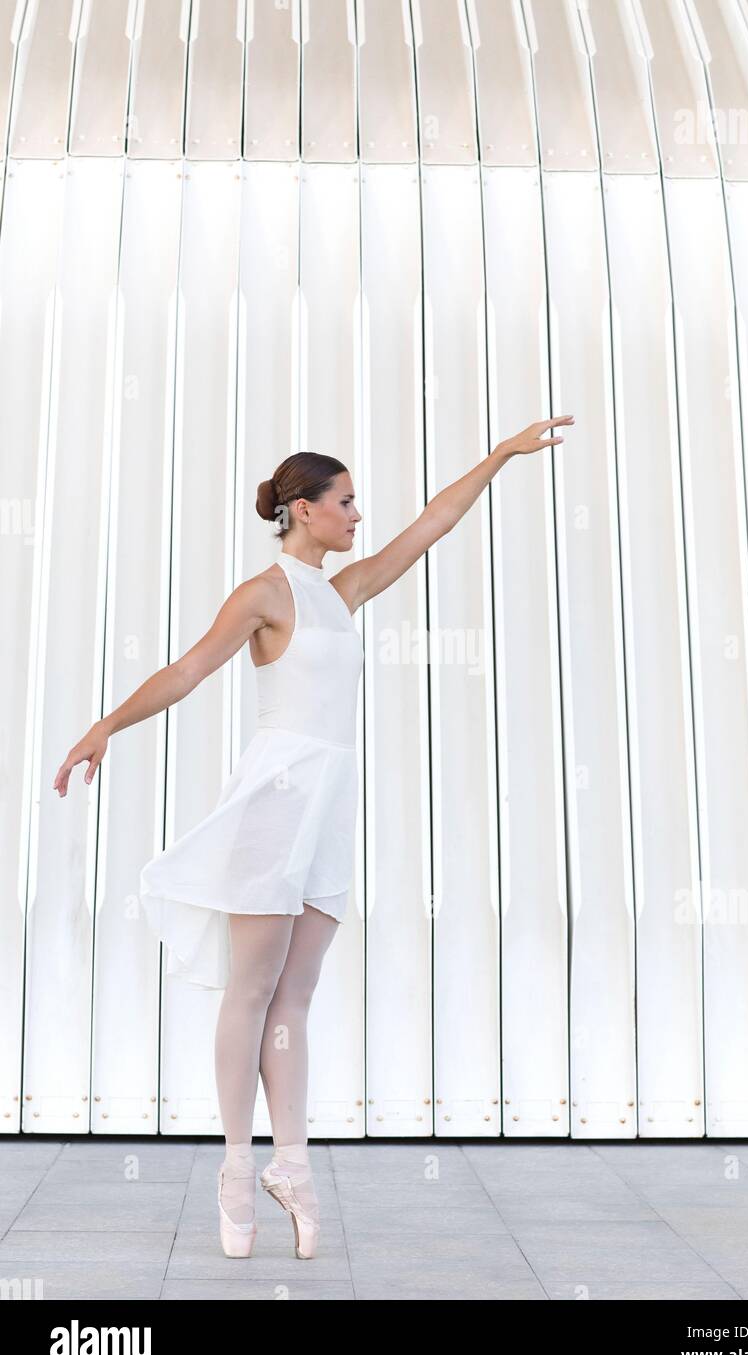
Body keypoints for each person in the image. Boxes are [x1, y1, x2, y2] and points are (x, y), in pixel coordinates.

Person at [53, 415, 574, 1259]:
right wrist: (107, 723)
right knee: (251, 991)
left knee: (295, 999)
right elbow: (189, 670)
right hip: (276, 802)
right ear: (301, 510)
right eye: (346, 501)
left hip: (330, 806)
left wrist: (501, 456)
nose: (358, 515)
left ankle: (289, 1165)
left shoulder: (345, 590)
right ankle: (233, 1166)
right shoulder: (267, 594)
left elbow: (431, 526)